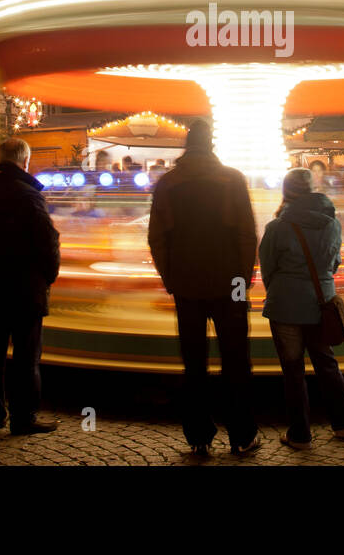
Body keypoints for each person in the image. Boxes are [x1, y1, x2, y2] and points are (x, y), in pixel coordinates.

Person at [147, 119, 261, 457]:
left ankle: (198, 435)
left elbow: (157, 237)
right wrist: (243, 281)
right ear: (212, 143)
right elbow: (245, 234)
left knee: (194, 363)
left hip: (186, 286)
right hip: (230, 285)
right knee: (237, 360)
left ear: (187, 144)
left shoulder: (168, 184)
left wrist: (171, 279)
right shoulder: (232, 179)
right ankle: (242, 434)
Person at [0, 137, 61, 435]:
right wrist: (48, 275)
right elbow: (48, 242)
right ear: (25, 161)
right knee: (26, 357)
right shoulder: (29, 196)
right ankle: (23, 416)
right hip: (25, 288)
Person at [259, 167, 344, 450]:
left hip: (285, 306)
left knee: (293, 371)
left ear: (286, 191)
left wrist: (281, 291)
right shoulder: (332, 223)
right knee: (326, 363)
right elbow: (334, 263)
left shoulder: (277, 227)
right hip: (321, 302)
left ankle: (300, 435)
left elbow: (268, 269)